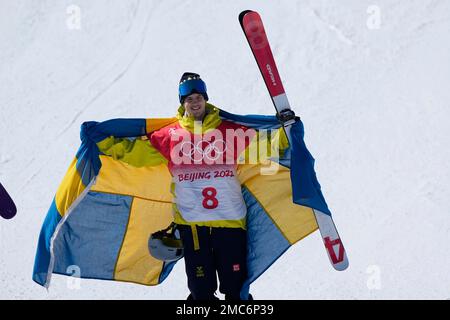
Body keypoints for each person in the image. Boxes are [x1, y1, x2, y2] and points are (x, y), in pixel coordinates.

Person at [99, 72, 254, 300]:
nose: (194, 102)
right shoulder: (171, 136)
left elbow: (265, 144)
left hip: (229, 221)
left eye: (198, 96)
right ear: (182, 103)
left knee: (236, 288)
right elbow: (137, 153)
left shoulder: (230, 131)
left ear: (205, 98)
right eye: (189, 98)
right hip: (192, 224)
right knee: (201, 291)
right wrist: (103, 141)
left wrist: (286, 131)